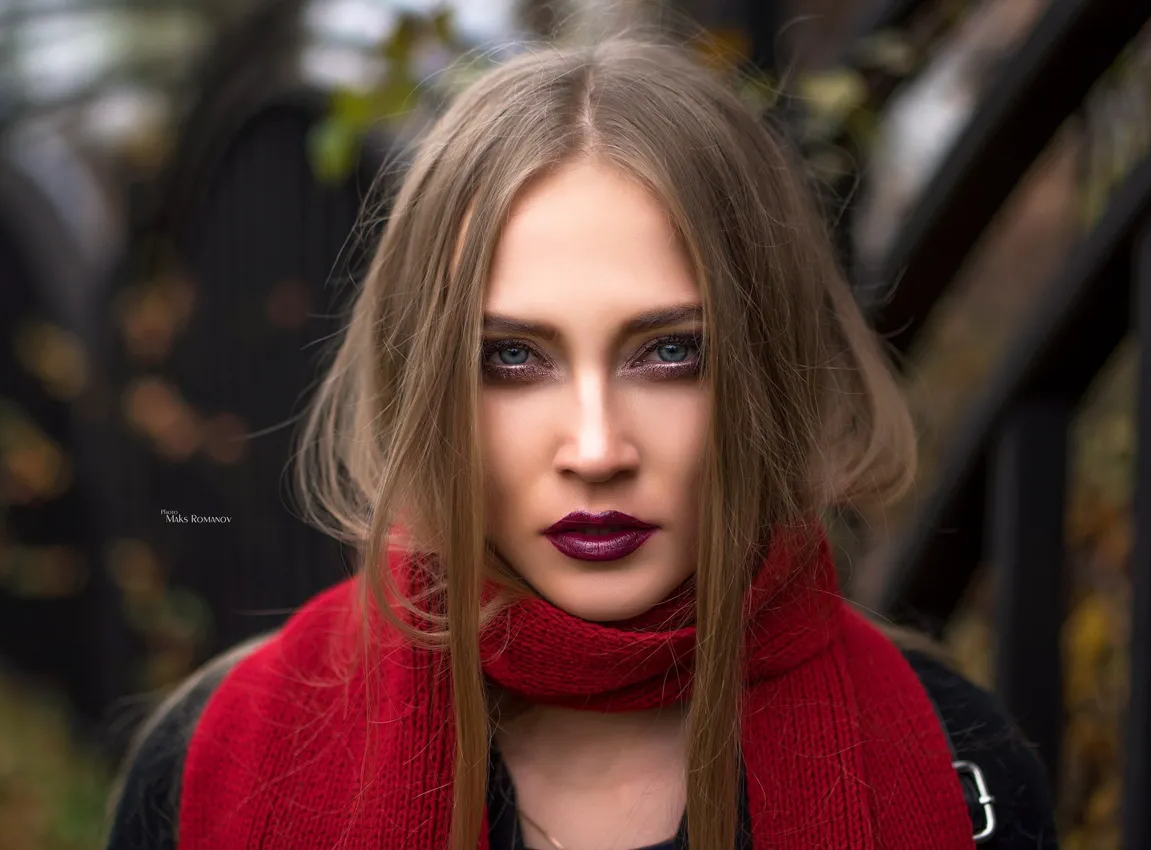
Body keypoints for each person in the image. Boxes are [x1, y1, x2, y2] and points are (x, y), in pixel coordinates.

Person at [105, 35, 1058, 850]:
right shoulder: (212, 765)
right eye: (512, 358)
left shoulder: (958, 770)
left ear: (766, 369)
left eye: (672, 352)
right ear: (424, 378)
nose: (597, 448)